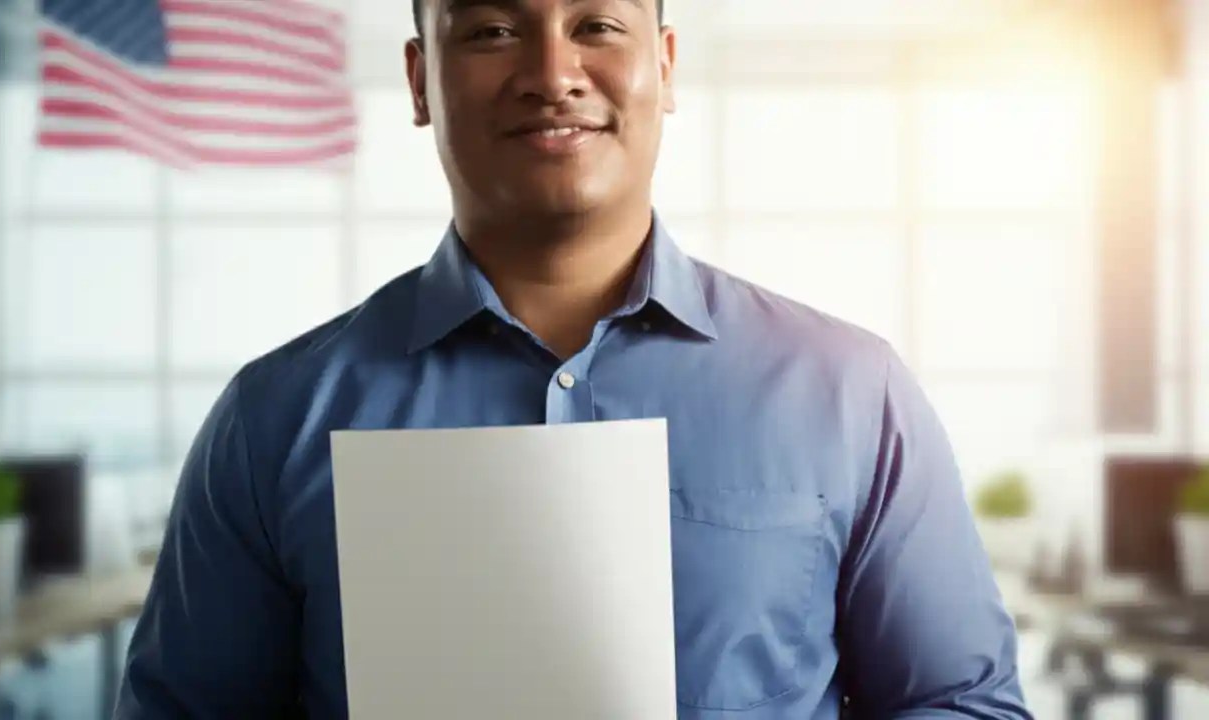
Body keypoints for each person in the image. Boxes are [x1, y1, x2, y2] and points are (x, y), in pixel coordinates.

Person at [116, 1, 1032, 718]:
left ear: (664, 65)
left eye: (596, 25)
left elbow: (959, 703)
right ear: (419, 78)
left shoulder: (849, 392)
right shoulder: (274, 417)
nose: (552, 74)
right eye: (491, 30)